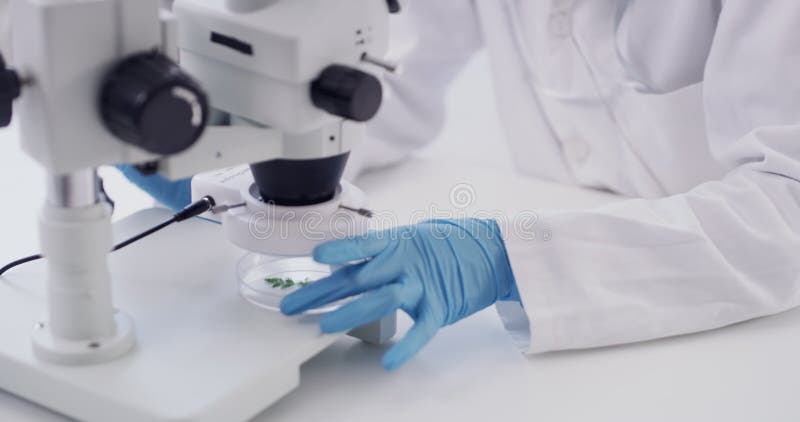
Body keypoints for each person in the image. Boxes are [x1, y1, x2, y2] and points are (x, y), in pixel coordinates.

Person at [122, 0, 800, 371]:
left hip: (752, 337)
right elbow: (385, 72)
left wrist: (512, 258)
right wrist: (232, 169)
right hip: (557, 356)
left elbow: (789, 206)